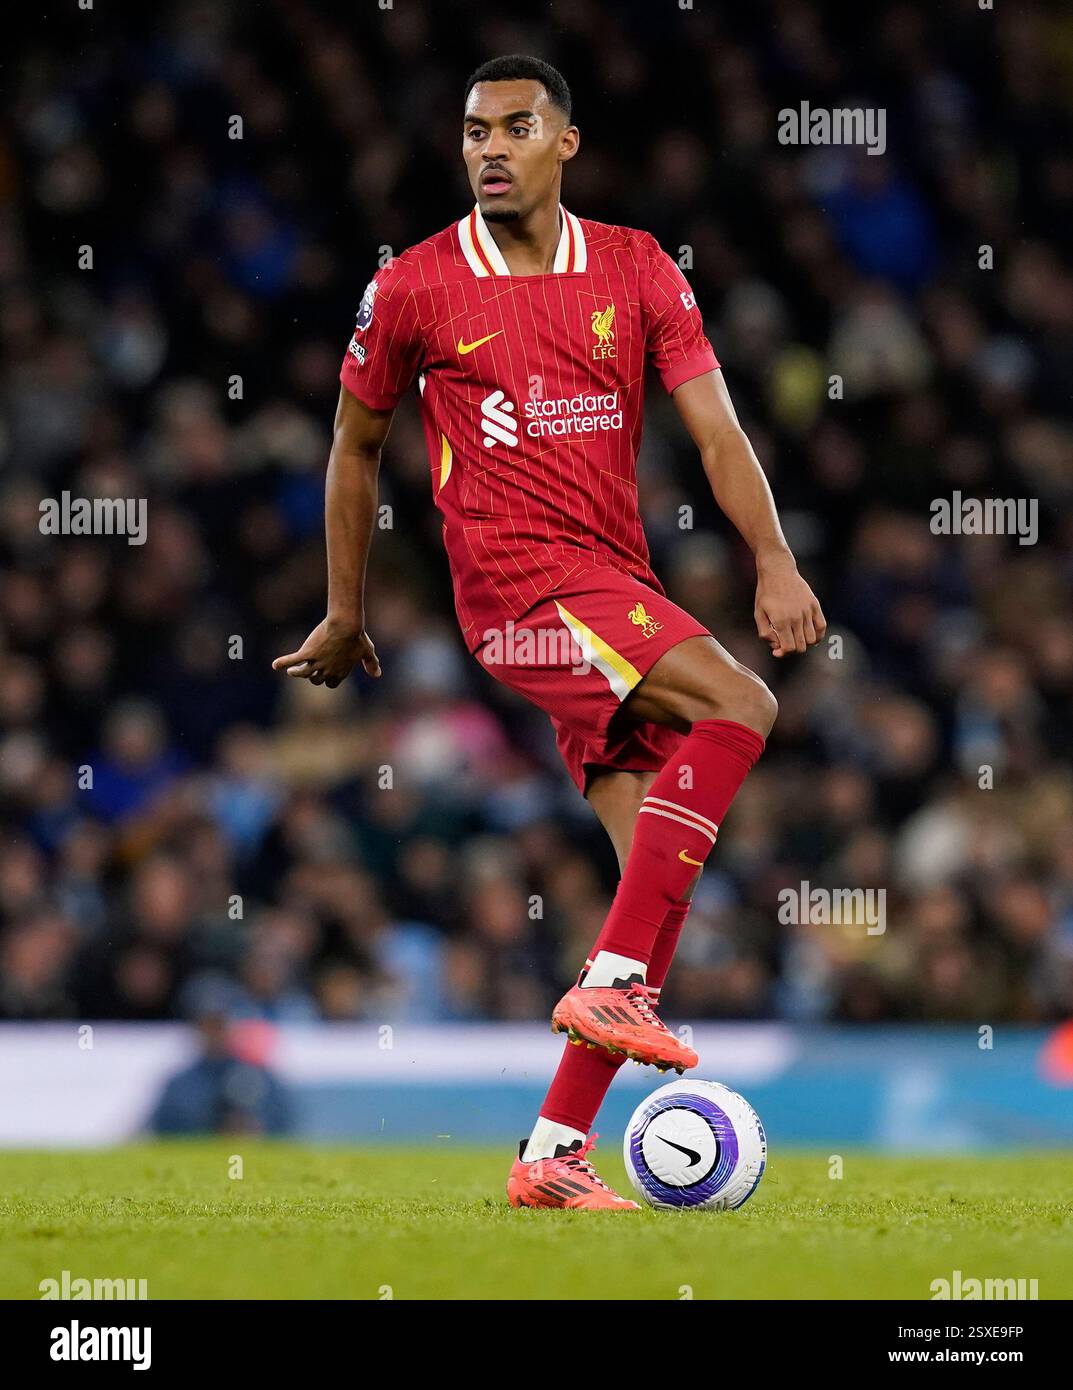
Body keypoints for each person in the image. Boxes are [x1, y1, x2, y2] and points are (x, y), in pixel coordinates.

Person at [274, 55, 825, 1208]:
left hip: (607, 585)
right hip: (521, 596)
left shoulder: (635, 268)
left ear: (563, 142)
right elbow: (354, 444)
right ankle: (609, 1006)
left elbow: (718, 430)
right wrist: (344, 609)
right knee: (742, 702)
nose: (488, 148)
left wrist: (770, 555)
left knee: (650, 893)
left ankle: (549, 1155)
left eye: (516, 128)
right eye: (473, 130)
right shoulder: (415, 287)